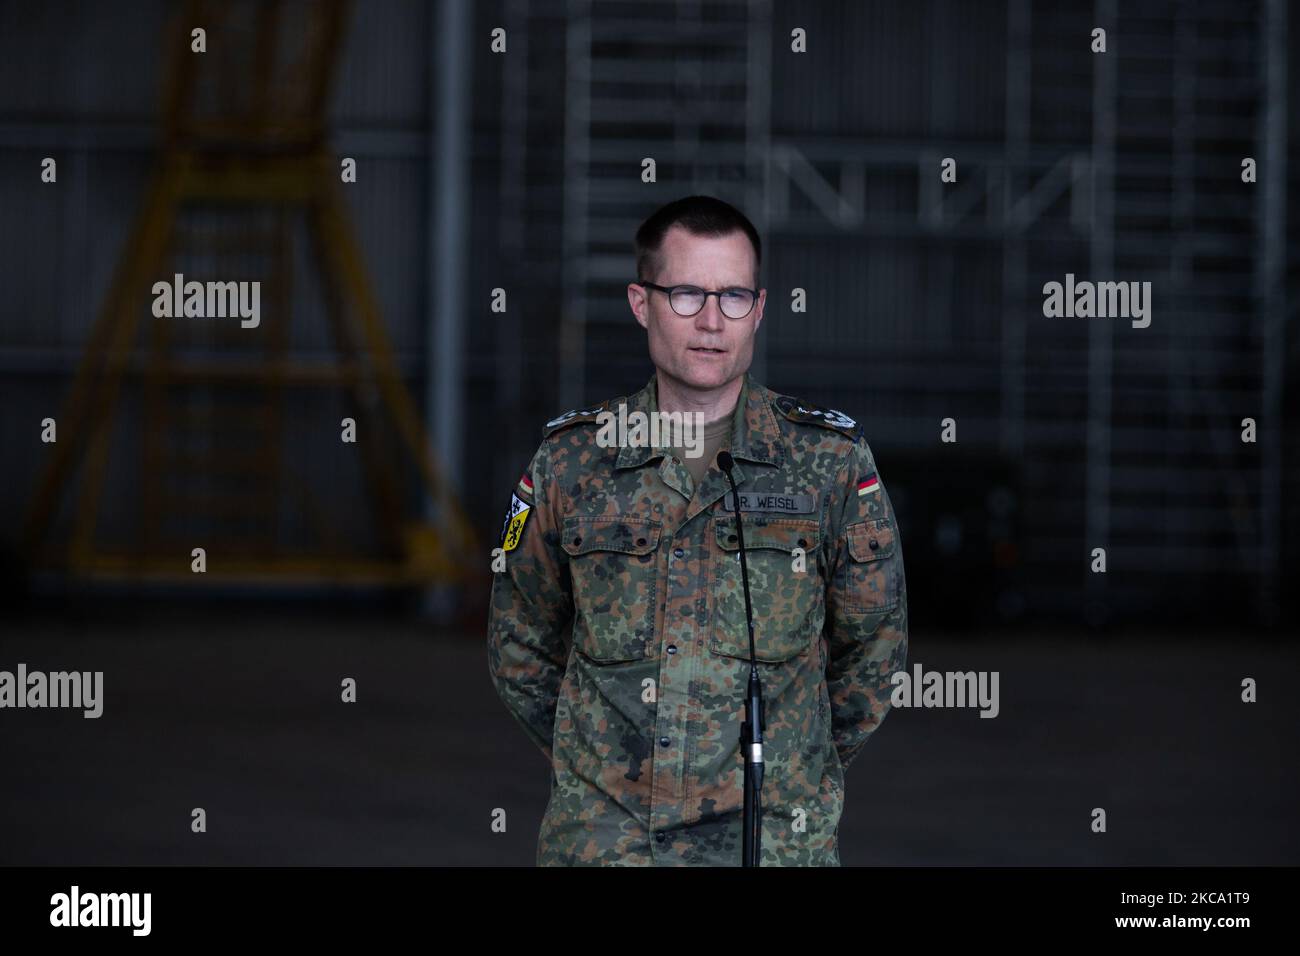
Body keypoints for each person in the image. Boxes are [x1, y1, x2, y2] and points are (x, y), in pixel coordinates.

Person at [487, 194, 907, 865]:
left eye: (734, 295)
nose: (712, 321)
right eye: (685, 294)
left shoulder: (829, 465)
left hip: (769, 848)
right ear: (640, 302)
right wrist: (606, 771)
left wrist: (791, 773)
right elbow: (519, 644)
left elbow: (874, 652)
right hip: (609, 847)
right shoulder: (570, 463)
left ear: (760, 309)